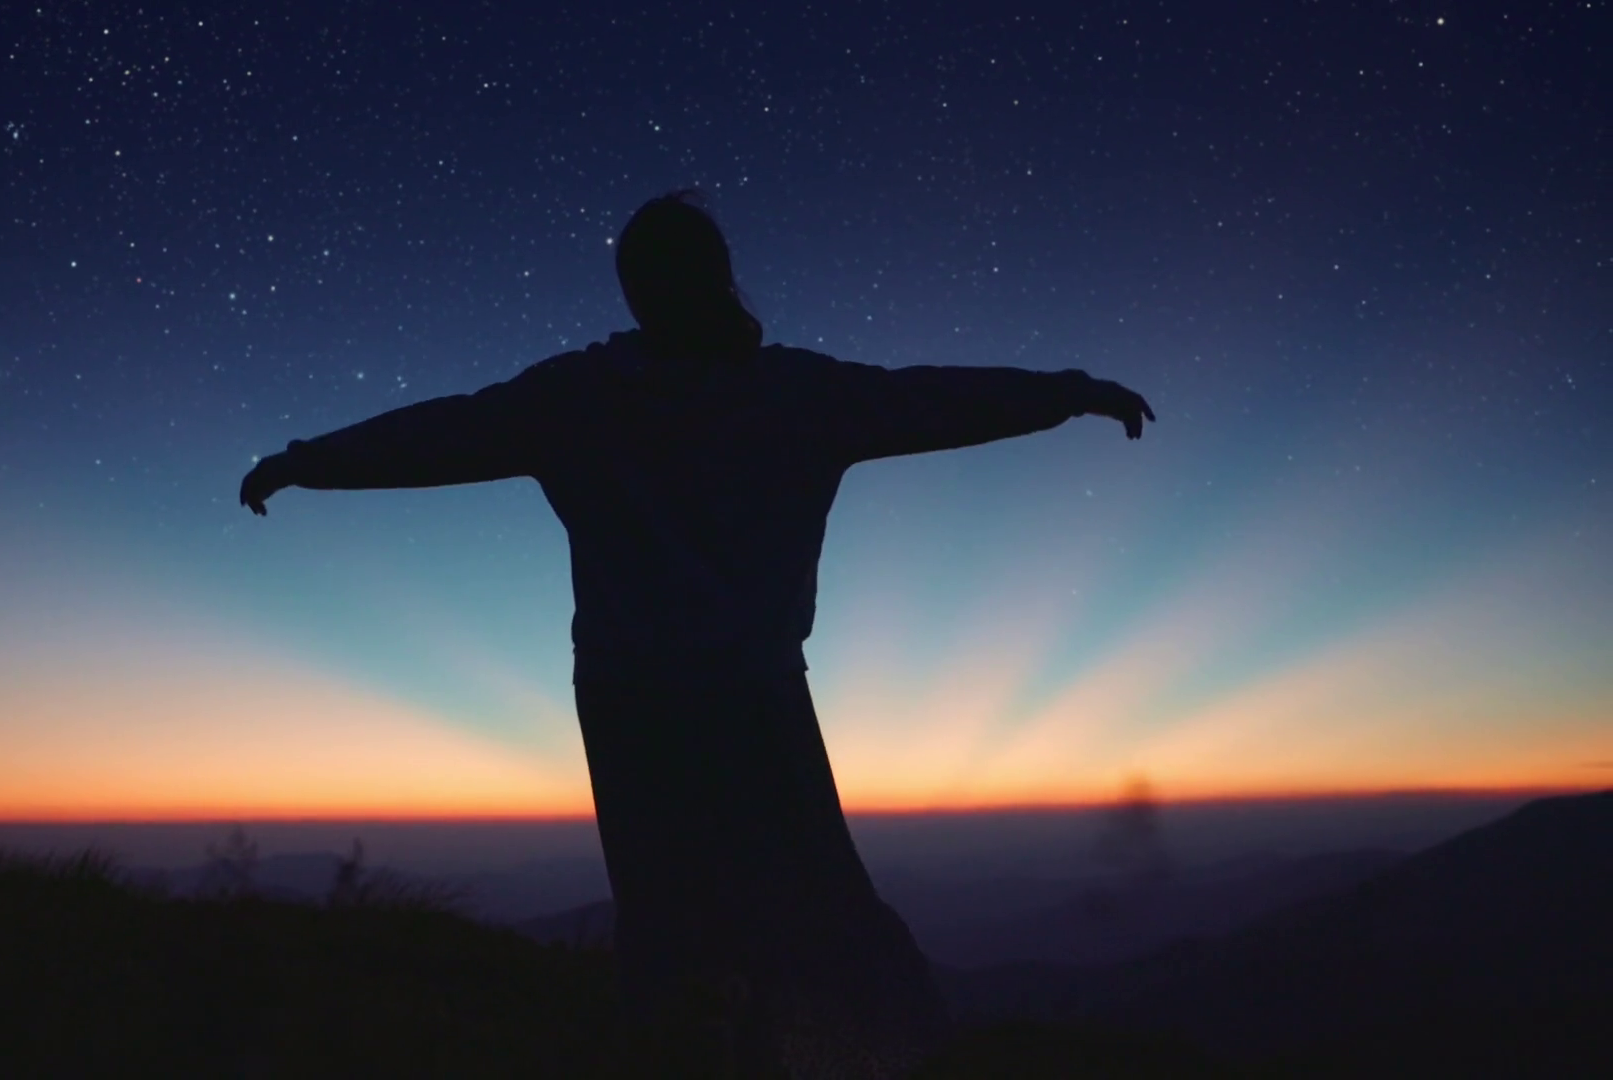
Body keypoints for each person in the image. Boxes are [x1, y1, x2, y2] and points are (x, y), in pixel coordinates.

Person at [238, 191, 1154, 1078]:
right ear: (718, 278)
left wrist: (307, 462)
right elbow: (935, 400)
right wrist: (1067, 393)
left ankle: (700, 1054)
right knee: (806, 902)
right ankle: (833, 1060)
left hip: (632, 696)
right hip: (746, 692)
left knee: (669, 911)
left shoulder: (586, 397)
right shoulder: (786, 395)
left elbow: (443, 432)